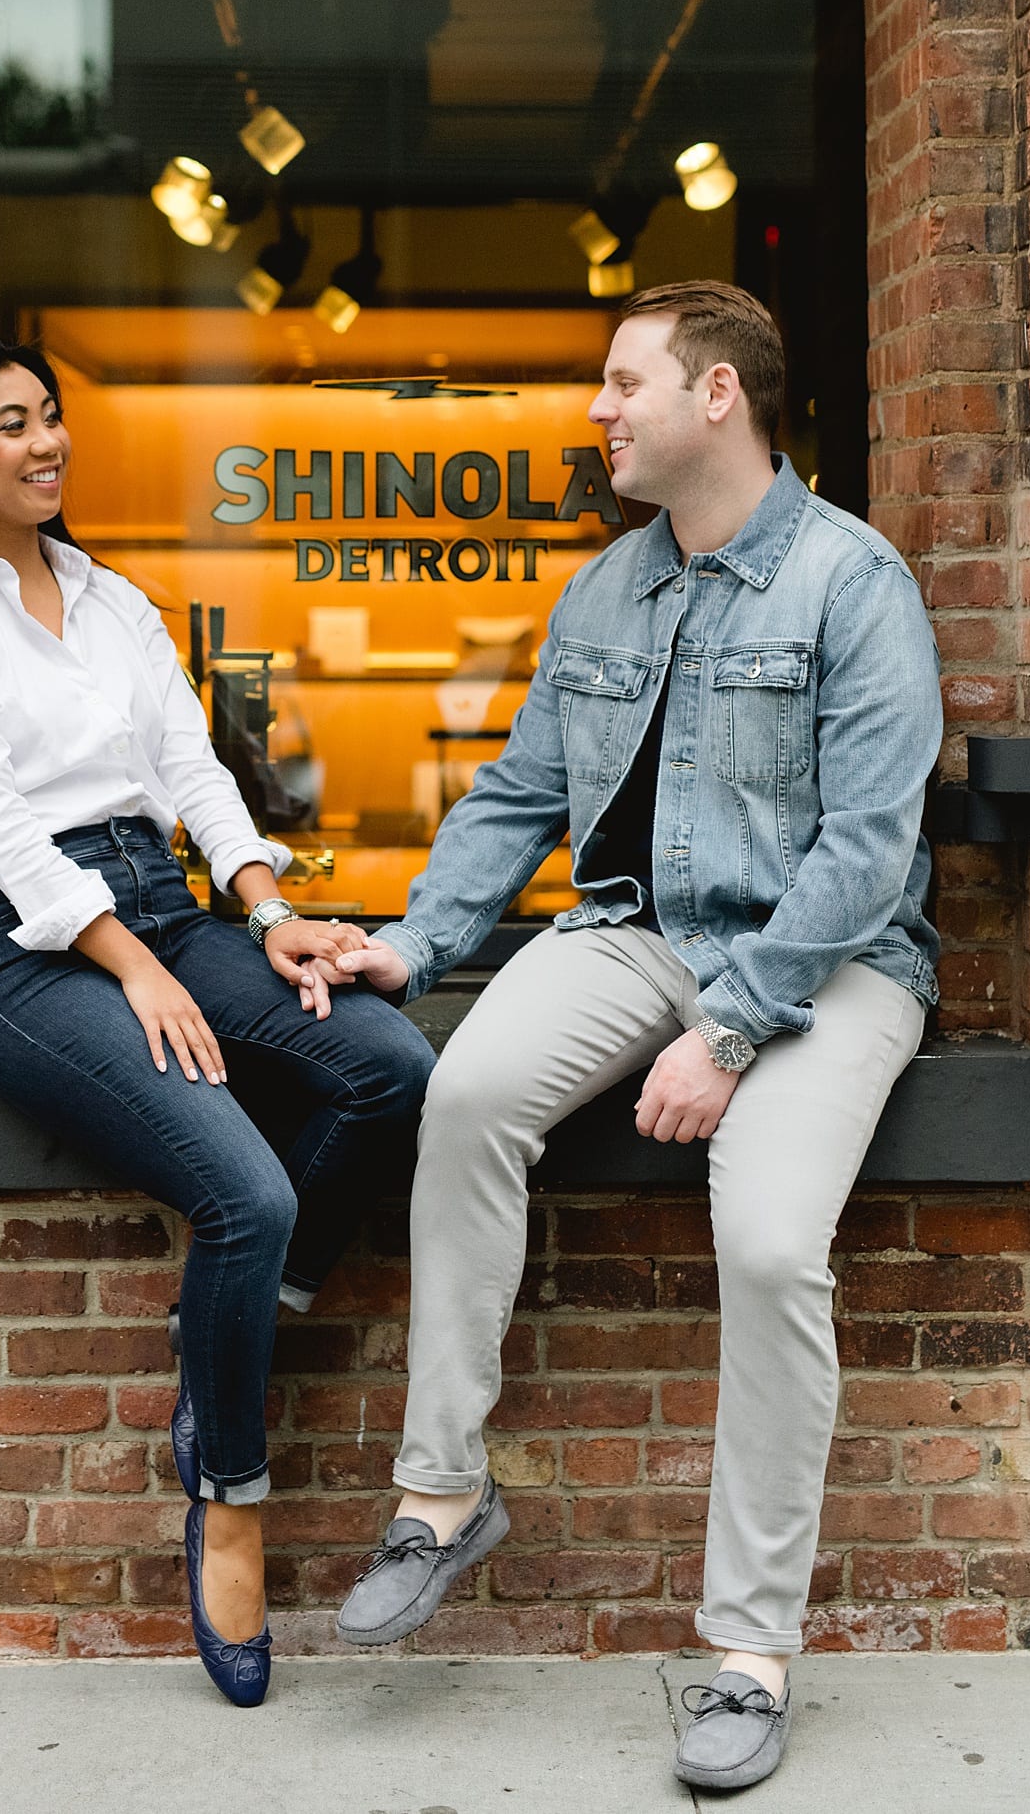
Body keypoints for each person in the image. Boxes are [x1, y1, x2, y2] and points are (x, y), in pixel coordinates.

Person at [329, 284, 942, 1792]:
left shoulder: (853, 584)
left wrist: (730, 1031)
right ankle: (441, 1494)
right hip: (642, 930)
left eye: (622, 383)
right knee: (464, 1093)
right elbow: (524, 795)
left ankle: (747, 1654)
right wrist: (413, 945)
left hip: (834, 960)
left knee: (773, 1243)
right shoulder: (609, 591)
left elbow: (865, 853)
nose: (597, 412)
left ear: (718, 395)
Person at [0, 339, 434, 1708]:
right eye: (15, 425)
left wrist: (260, 908)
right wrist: (133, 965)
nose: (50, 441)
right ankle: (229, 1494)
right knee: (244, 1194)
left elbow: (193, 762)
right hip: (29, 948)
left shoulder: (113, 597)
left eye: (53, 416)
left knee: (391, 1068)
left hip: (167, 907)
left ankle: (222, 1347)